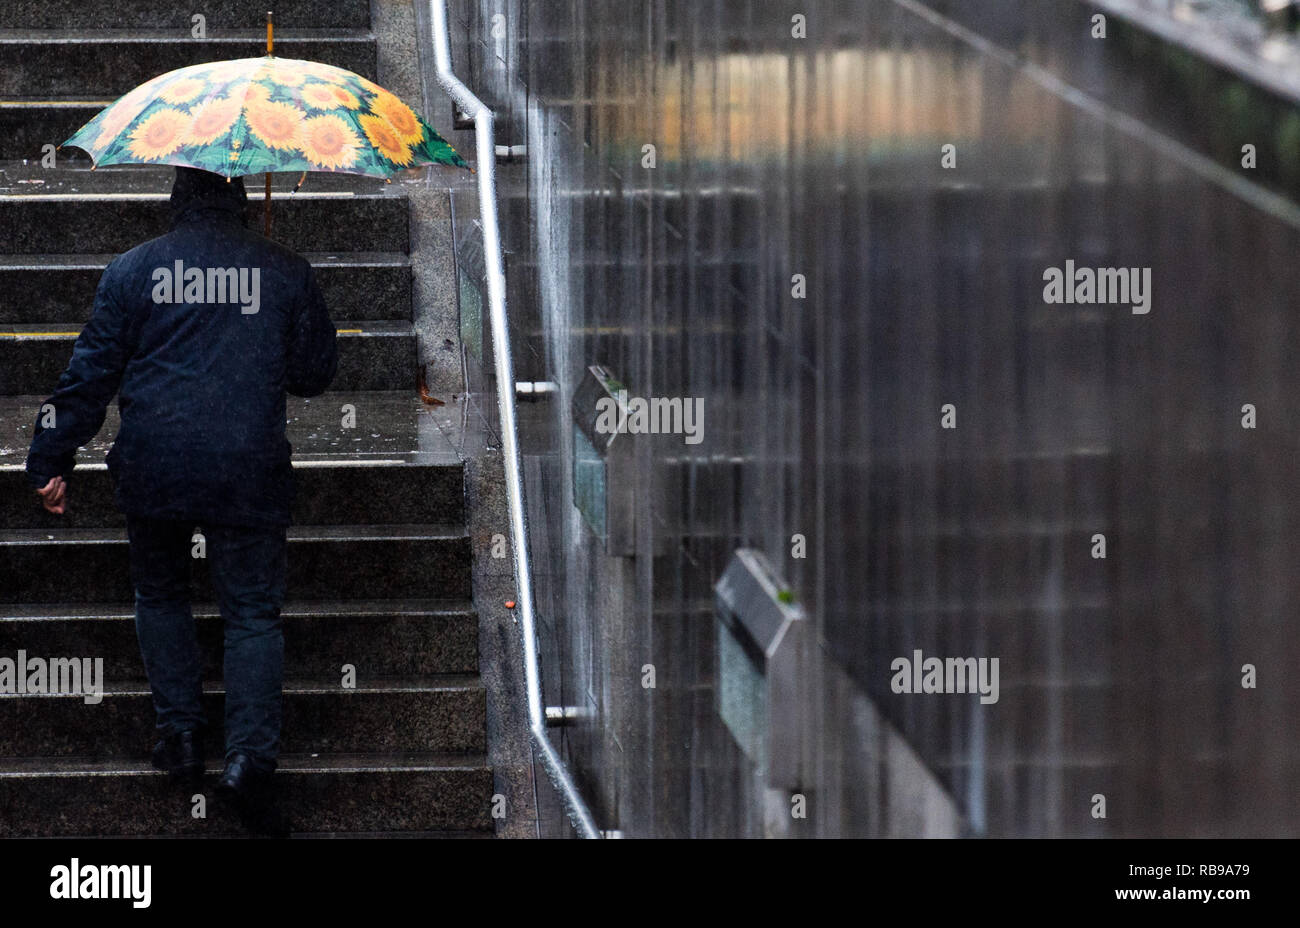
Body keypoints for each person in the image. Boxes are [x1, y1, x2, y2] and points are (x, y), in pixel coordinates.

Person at [25, 166, 337, 834]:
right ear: (243, 202)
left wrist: (49, 457)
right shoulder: (283, 269)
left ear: (176, 203)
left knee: (160, 595)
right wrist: (289, 302)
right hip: (247, 466)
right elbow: (315, 376)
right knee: (252, 611)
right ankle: (249, 760)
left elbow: (90, 375)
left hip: (155, 464)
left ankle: (183, 738)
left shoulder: (133, 271)